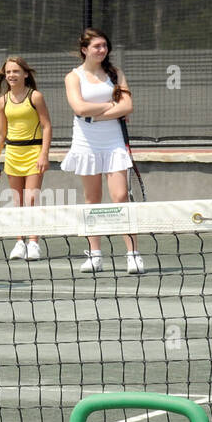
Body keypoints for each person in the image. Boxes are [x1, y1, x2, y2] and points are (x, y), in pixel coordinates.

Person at [61, 28, 143, 274]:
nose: (102, 50)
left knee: (120, 197)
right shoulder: (73, 77)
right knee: (92, 199)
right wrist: (111, 106)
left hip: (114, 140)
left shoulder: (115, 74)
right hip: (86, 142)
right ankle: (95, 254)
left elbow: (128, 105)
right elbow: (78, 107)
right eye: (97, 46)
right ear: (84, 50)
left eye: (104, 46)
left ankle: (133, 254)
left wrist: (97, 113)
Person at [0, 56, 53, 261]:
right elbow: (0, 133)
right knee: (17, 201)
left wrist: (44, 154)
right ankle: (19, 242)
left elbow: (47, 126)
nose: (11, 75)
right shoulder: (3, 101)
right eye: (8, 72)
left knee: (31, 198)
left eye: (16, 71)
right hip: (12, 154)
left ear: (25, 74)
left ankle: (33, 243)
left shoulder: (35, 97)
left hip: (34, 153)